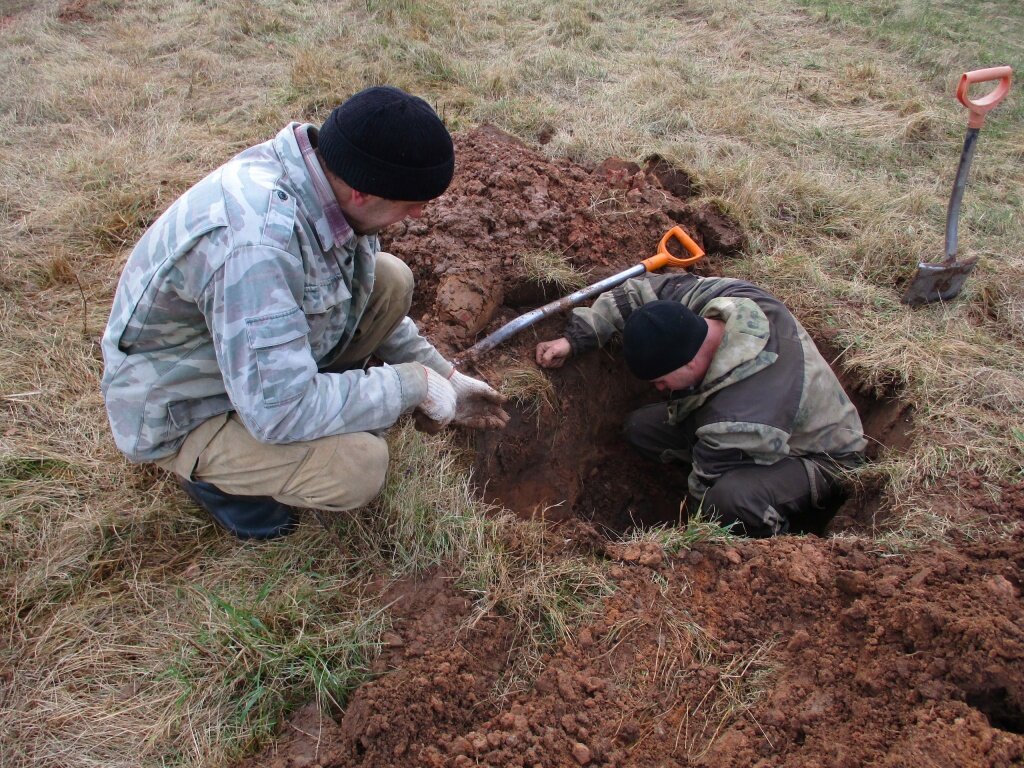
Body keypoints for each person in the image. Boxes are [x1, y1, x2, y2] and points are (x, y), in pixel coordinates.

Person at [101, 86, 508, 540]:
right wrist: (409, 385)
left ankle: (321, 396)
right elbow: (281, 412)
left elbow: (360, 287)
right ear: (361, 193)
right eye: (411, 203)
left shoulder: (324, 179)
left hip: (247, 366)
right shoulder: (257, 246)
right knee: (358, 465)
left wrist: (444, 375)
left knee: (390, 278)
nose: (418, 214)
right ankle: (216, 480)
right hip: (186, 406)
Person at [536, 270, 866, 537]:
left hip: (823, 456)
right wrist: (575, 338)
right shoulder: (723, 299)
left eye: (660, 381)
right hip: (754, 426)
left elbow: (703, 490)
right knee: (641, 429)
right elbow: (636, 292)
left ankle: (774, 541)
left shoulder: (739, 417)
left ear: (691, 363)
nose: (659, 389)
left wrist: (672, 542)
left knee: (727, 500)